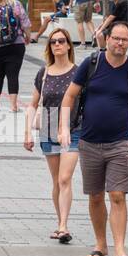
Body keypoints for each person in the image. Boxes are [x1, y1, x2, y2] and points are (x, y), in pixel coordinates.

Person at [59, 20, 128, 256]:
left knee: (117, 195)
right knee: (96, 196)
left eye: (125, 40)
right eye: (116, 38)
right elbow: (70, 95)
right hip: (89, 142)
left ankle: (120, 249)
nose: (120, 43)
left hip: (120, 143)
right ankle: (101, 245)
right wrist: (64, 127)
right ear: (106, 39)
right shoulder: (91, 63)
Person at [24, 26, 80, 244]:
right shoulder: (44, 72)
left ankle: (64, 226)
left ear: (68, 45)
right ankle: (60, 223)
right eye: (53, 41)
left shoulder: (78, 72)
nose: (57, 44)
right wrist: (27, 132)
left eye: (61, 41)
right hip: (48, 127)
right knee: (57, 181)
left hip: (74, 127)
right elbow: (33, 104)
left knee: (65, 178)